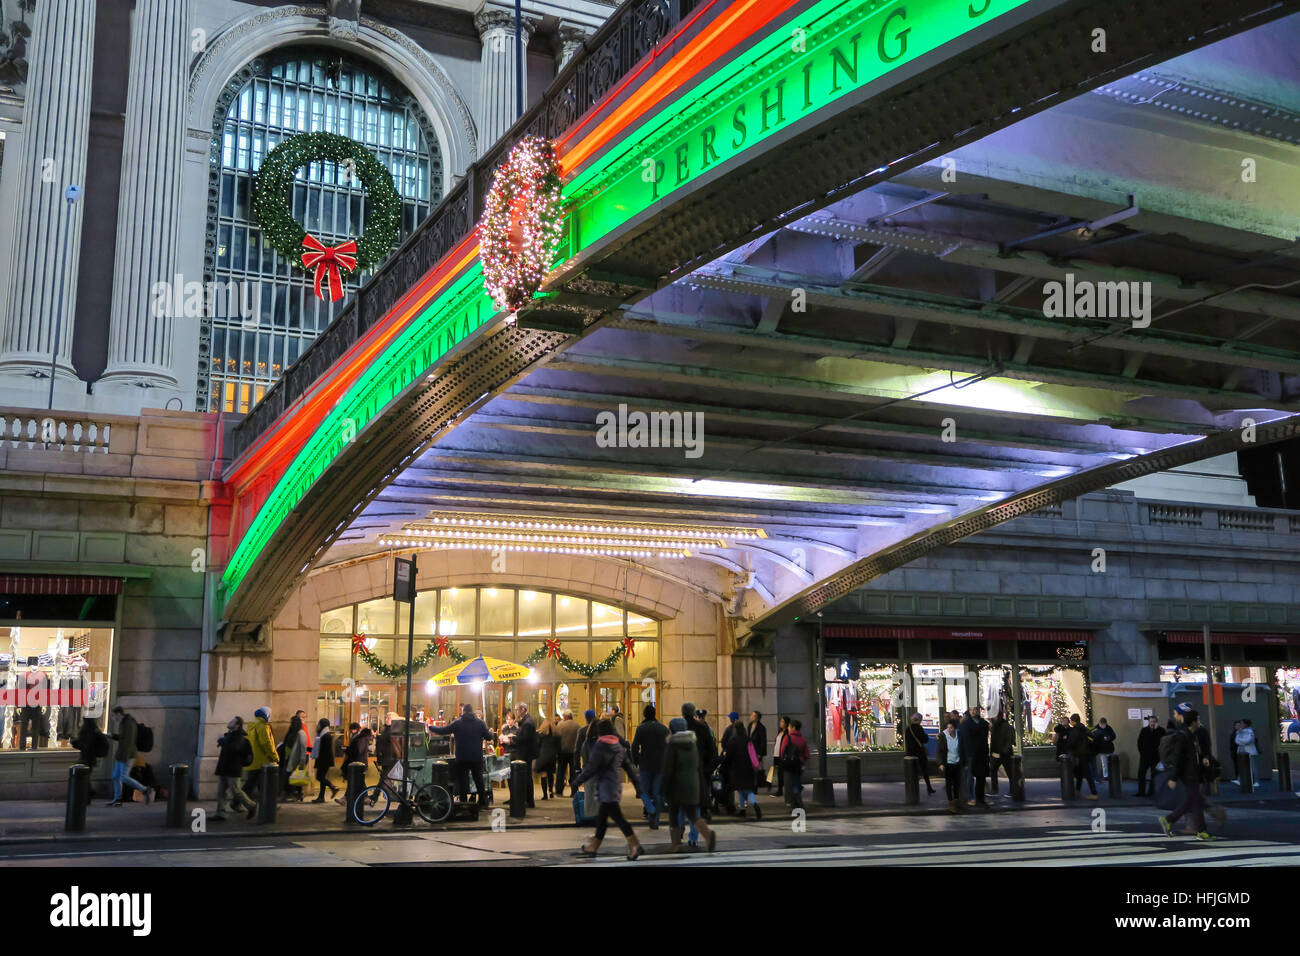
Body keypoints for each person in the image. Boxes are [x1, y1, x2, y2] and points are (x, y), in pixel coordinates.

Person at [573, 719, 642, 861]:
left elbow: (592, 767)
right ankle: (594, 847)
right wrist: (636, 784)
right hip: (614, 786)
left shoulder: (601, 746)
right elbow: (628, 767)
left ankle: (635, 845)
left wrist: (577, 781)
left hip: (606, 788)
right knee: (602, 820)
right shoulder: (617, 745)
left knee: (618, 819)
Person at [1160, 707, 1216, 840]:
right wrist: (1174, 777)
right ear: (1193, 721)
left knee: (1193, 800)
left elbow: (1202, 750)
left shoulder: (1195, 734)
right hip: (1188, 773)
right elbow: (1178, 758)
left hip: (1194, 772)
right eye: (1197, 719)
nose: (1199, 721)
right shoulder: (1183, 736)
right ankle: (1201, 830)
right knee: (1195, 801)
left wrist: (1205, 757)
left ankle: (1169, 820)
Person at [663, 716, 717, 852]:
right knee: (693, 815)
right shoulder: (692, 744)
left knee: (674, 815)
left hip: (676, 786)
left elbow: (668, 768)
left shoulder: (672, 745)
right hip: (692, 785)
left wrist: (663, 787)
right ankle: (708, 834)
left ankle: (675, 844)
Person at [430, 703, 495, 806]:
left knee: (463, 781)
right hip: (476, 757)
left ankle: (464, 803)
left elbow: (443, 730)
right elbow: (488, 737)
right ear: (472, 711)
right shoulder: (480, 723)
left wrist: (430, 727)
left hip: (462, 757)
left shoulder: (457, 723)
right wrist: (490, 733)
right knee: (479, 780)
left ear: (463, 711)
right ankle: (483, 802)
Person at [630, 704, 668, 828]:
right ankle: (655, 819)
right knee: (657, 793)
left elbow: (635, 747)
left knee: (643, 791)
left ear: (645, 715)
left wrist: (635, 761)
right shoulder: (663, 728)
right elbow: (668, 746)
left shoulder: (641, 728)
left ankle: (650, 809)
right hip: (660, 764)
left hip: (645, 763)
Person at [107, 705, 151, 806]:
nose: (113, 719)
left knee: (123, 777)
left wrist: (124, 757)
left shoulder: (129, 723)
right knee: (115, 776)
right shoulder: (124, 722)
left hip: (127, 755)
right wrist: (113, 736)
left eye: (113, 716)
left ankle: (144, 789)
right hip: (122, 754)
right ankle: (117, 799)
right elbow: (123, 738)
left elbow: (128, 742)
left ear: (118, 714)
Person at [214, 716, 257, 820]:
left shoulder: (240, 738)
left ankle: (251, 806)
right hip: (224, 767)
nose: (230, 722)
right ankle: (220, 813)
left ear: (237, 725)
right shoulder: (229, 735)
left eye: (232, 721)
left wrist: (221, 740)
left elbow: (233, 748)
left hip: (233, 769)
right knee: (221, 792)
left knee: (236, 791)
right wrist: (222, 740)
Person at [720, 718, 763, 819]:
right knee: (748, 790)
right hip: (748, 768)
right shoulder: (748, 739)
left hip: (737, 768)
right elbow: (753, 754)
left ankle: (742, 810)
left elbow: (729, 756)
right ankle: (755, 804)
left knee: (740, 790)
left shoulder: (733, 740)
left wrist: (723, 765)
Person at [681, 702, 717, 818]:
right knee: (701, 787)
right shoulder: (702, 727)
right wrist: (709, 765)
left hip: (683, 765)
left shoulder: (680, 728)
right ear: (693, 713)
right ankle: (703, 811)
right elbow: (711, 748)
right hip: (699, 763)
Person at [71, 717, 108, 802]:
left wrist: (74, 742)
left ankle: (88, 794)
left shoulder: (87, 731)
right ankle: (89, 793)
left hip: (86, 758)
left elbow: (83, 744)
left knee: (83, 778)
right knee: (86, 778)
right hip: (90, 758)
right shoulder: (94, 730)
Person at [245, 707, 278, 802]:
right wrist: (274, 756)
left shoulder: (251, 725)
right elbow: (266, 743)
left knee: (255, 784)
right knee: (261, 784)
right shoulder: (263, 726)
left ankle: (265, 802)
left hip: (253, 759)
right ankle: (237, 802)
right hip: (262, 760)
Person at [508, 704, 538, 808]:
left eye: (517, 710)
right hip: (524, 752)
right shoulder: (525, 721)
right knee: (526, 777)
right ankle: (527, 800)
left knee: (526, 778)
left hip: (526, 753)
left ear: (523, 709)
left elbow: (525, 738)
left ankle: (529, 801)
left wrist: (513, 738)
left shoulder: (528, 723)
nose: (516, 711)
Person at [959, 706, 990, 807]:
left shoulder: (983, 723)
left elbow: (985, 739)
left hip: (981, 754)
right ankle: (970, 798)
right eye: (971, 710)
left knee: (981, 777)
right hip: (970, 754)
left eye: (975, 709)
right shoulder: (965, 724)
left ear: (978, 711)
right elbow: (963, 742)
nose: (973, 712)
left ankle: (980, 798)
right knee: (970, 777)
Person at [779, 718, 810, 809]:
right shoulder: (802, 739)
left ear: (793, 727)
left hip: (788, 765)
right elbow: (807, 754)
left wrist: (783, 760)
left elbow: (782, 751)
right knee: (796, 783)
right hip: (798, 765)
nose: (788, 728)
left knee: (788, 785)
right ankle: (798, 801)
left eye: (789, 726)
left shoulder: (787, 738)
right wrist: (801, 761)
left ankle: (790, 804)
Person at [1066, 713, 1098, 799]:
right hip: (1086, 753)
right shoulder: (1084, 728)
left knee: (1087, 774)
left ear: (1073, 721)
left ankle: (1094, 793)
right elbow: (1092, 736)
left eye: (1071, 721)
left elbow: (1071, 742)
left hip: (1080, 754)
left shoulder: (1075, 730)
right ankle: (1077, 791)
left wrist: (1068, 746)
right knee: (1080, 773)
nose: (1070, 722)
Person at [903, 712, 935, 795]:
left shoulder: (908, 729)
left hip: (910, 753)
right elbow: (924, 739)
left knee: (912, 772)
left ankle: (912, 790)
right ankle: (929, 787)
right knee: (924, 770)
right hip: (919, 753)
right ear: (919, 720)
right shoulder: (919, 728)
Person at [937, 717, 963, 812]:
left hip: (957, 762)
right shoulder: (944, 736)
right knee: (949, 783)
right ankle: (950, 801)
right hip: (948, 763)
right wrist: (940, 763)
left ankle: (956, 800)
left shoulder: (959, 735)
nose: (949, 730)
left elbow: (963, 748)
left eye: (951, 728)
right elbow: (939, 751)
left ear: (955, 728)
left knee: (957, 783)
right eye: (948, 728)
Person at [1135, 714, 1165, 797]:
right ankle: (1141, 792)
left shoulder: (1161, 731)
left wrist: (1155, 731)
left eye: (1154, 722)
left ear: (1156, 722)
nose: (1152, 723)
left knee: (1154, 775)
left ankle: (1151, 792)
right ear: (1148, 722)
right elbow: (1139, 742)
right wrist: (1141, 752)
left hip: (1155, 757)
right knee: (1141, 774)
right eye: (1151, 721)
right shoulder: (1144, 730)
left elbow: (1161, 742)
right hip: (1144, 756)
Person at [281, 714, 308, 802]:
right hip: (288, 757)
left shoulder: (301, 733)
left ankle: (295, 794)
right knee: (291, 776)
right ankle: (296, 794)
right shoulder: (292, 732)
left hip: (295, 759)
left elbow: (303, 748)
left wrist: (302, 761)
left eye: (293, 722)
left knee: (293, 777)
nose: (291, 724)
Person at [988, 710, 1015, 796]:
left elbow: (1009, 740)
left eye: (995, 716)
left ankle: (1011, 790)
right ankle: (995, 790)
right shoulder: (996, 726)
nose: (994, 718)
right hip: (998, 753)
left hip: (1004, 753)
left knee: (1009, 772)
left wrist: (1004, 751)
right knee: (994, 770)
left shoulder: (1005, 726)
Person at [534, 711, 560, 800]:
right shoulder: (556, 735)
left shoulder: (540, 735)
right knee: (551, 774)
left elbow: (537, 745)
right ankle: (551, 792)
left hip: (543, 756)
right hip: (552, 757)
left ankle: (545, 794)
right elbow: (558, 746)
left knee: (544, 774)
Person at [312, 718, 339, 803]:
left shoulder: (326, 736)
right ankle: (321, 797)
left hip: (324, 760)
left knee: (319, 777)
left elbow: (325, 750)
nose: (318, 725)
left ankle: (333, 787)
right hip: (323, 760)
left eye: (319, 724)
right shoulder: (322, 734)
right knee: (321, 777)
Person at [556, 710, 580, 797]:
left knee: (561, 772)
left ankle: (559, 791)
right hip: (573, 752)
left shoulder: (560, 725)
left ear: (565, 716)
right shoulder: (577, 725)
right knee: (573, 772)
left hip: (562, 752)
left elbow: (556, 738)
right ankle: (574, 791)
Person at [1232, 718, 1259, 787]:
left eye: (1242, 723)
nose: (1240, 725)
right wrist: (1242, 742)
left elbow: (1248, 741)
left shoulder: (1250, 731)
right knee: (1242, 767)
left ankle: (1256, 781)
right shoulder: (1239, 731)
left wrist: (1241, 742)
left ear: (1246, 724)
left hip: (1250, 752)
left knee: (1253, 767)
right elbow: (1236, 740)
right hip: (1241, 751)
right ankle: (1240, 780)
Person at [1090, 717, 1117, 783]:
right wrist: (1102, 739)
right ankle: (1106, 776)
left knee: (1110, 762)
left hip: (1109, 748)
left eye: (1104, 725)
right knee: (1104, 763)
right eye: (1102, 725)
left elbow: (1114, 736)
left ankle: (1111, 775)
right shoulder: (1095, 728)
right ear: (1099, 723)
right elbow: (1093, 737)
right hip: (1101, 749)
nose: (1103, 726)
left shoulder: (1108, 727)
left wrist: (1108, 738)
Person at [747, 710, 768, 791]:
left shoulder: (761, 728)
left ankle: (755, 787)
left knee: (755, 770)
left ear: (757, 718)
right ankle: (751, 785)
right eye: (751, 715)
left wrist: (760, 753)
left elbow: (763, 741)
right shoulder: (749, 726)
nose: (751, 717)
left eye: (753, 716)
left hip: (756, 752)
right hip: (749, 750)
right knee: (750, 770)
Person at [769, 716, 789, 796]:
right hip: (776, 755)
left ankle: (781, 789)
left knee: (782, 773)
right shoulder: (780, 732)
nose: (781, 723)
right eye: (781, 721)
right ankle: (779, 789)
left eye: (782, 722)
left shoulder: (787, 733)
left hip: (782, 755)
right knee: (778, 773)